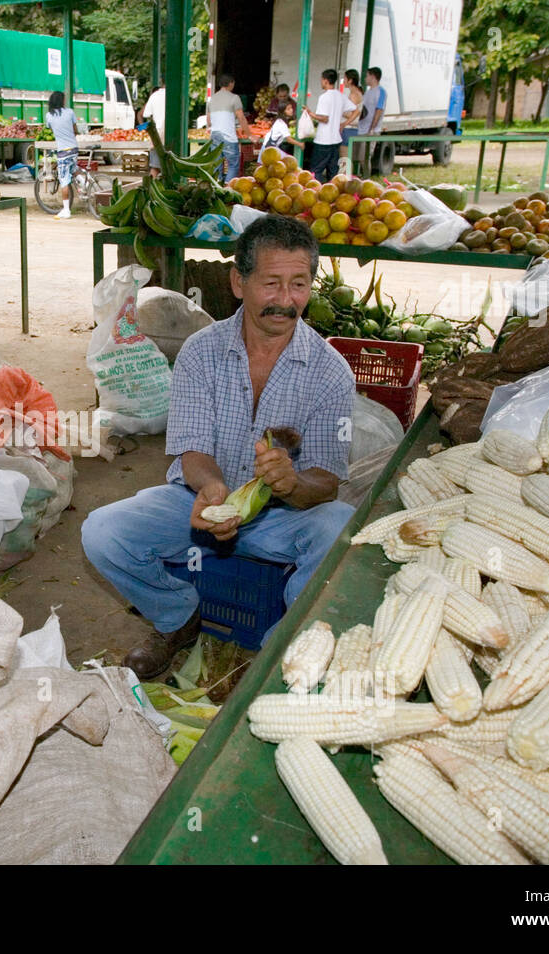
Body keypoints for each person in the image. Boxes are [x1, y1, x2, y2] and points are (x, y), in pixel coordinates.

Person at [82, 216, 356, 678]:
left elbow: (326, 482)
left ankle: (280, 650)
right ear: (238, 281)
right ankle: (176, 616)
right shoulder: (199, 351)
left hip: (283, 519)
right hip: (198, 507)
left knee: (340, 532)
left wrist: (292, 484)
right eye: (271, 283)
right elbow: (192, 451)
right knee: (103, 533)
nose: (285, 301)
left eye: (299, 284)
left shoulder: (331, 373)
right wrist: (211, 490)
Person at [304, 69, 355, 182]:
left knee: (315, 170)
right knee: (333, 172)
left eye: (321, 80)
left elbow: (324, 118)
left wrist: (311, 113)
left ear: (326, 81)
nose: (321, 82)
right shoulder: (340, 96)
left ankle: (316, 192)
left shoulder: (324, 97)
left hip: (323, 140)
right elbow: (356, 110)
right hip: (336, 140)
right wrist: (345, 123)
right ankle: (333, 193)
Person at [206, 72, 248, 183]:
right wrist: (250, 135)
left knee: (216, 166)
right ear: (231, 83)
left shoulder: (212, 99)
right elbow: (241, 118)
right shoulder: (234, 98)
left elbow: (209, 121)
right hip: (229, 137)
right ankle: (228, 189)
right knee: (233, 165)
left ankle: (217, 189)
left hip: (215, 136)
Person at [45, 90, 80, 219]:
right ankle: (84, 183)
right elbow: (75, 129)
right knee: (73, 169)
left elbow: (50, 128)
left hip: (63, 151)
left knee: (64, 181)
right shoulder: (70, 112)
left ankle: (66, 210)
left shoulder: (49, 116)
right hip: (74, 148)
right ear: (61, 101)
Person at [356, 67, 388, 173]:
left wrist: (372, 128)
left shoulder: (381, 92)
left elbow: (379, 110)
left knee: (364, 157)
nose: (365, 78)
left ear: (373, 76)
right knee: (359, 156)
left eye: (367, 76)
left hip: (370, 130)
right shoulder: (368, 92)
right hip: (361, 128)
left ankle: (366, 177)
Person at [137, 85, 166, 175]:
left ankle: (150, 188)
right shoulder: (175, 94)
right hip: (172, 135)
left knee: (155, 168)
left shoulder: (154, 96)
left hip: (157, 136)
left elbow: (144, 114)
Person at [340, 69, 363, 164]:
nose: (343, 81)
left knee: (345, 158)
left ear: (350, 80)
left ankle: (345, 178)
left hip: (349, 129)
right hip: (354, 129)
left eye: (345, 79)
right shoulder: (358, 92)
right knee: (348, 159)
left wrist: (340, 111)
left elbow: (353, 113)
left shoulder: (353, 94)